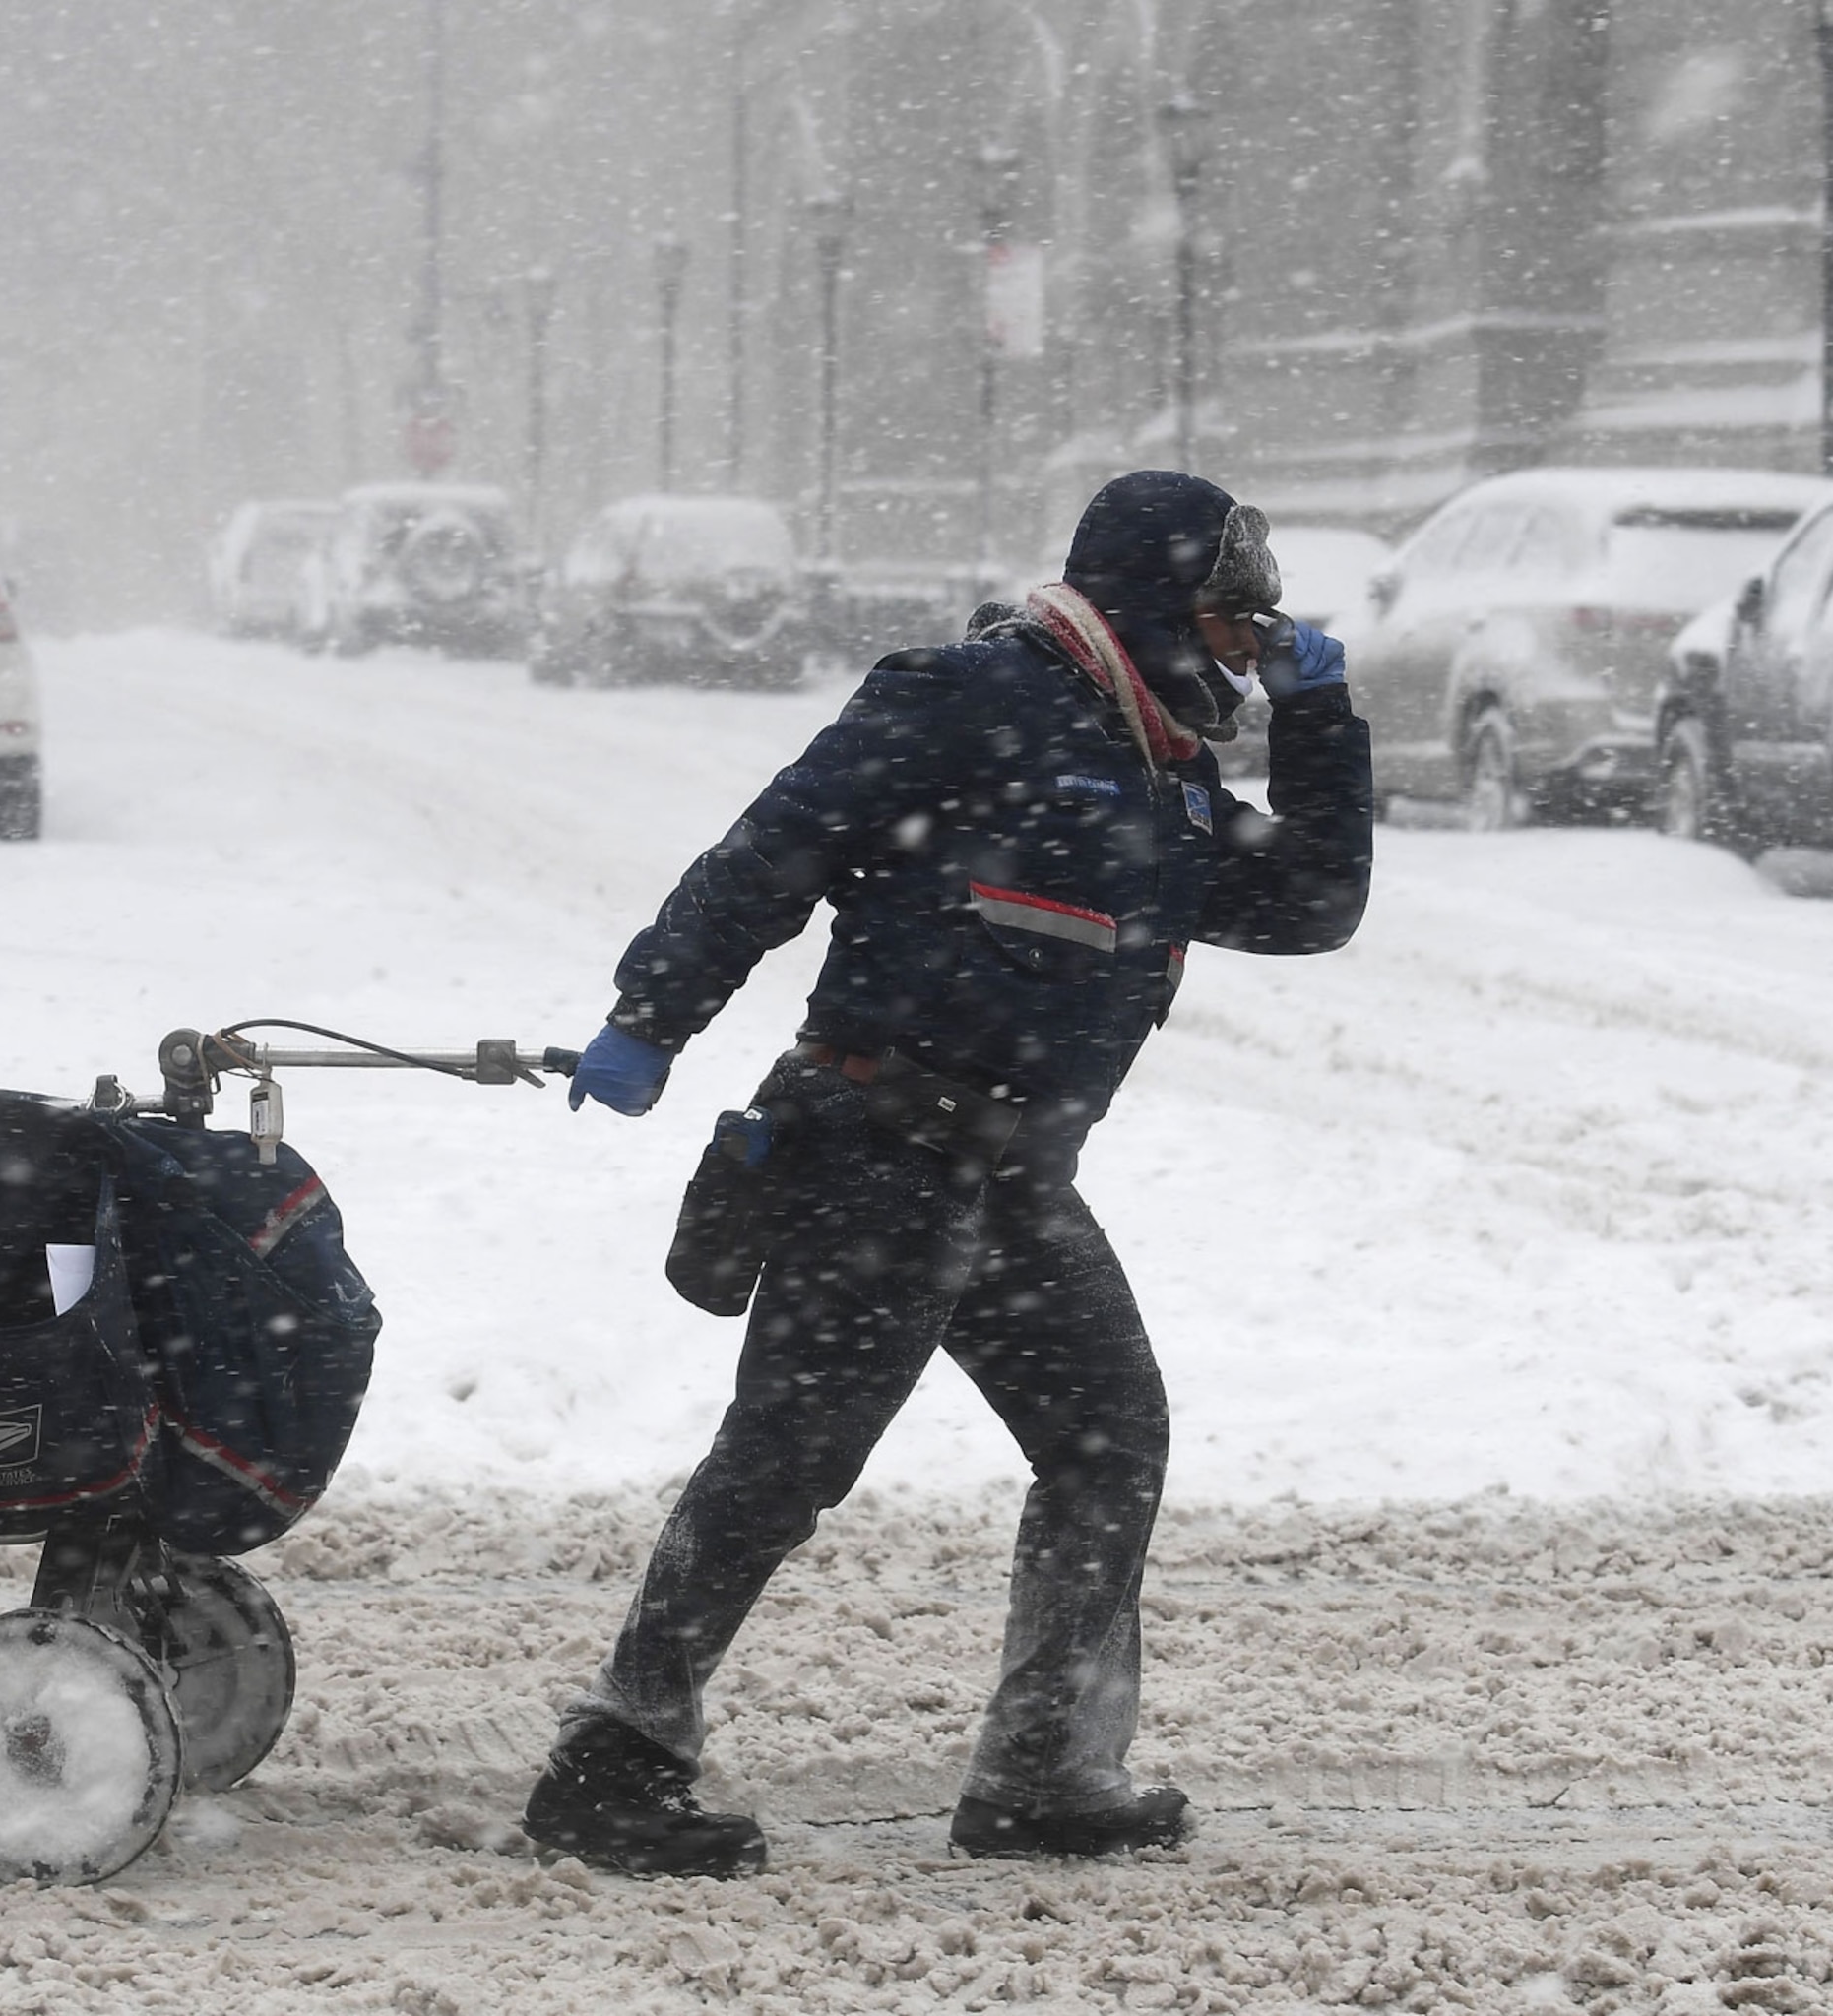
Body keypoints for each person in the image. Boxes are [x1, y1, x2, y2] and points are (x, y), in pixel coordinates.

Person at [520, 470, 1374, 1876]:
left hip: (1019, 1179)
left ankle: (1042, 1771)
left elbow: (1316, 907)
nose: (1246, 655)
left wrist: (1325, 726)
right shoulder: (961, 701)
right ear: (1155, 607)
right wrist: (647, 1021)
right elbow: (767, 855)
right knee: (786, 1460)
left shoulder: (1164, 779)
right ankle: (612, 1763)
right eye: (1233, 626)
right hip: (875, 1146)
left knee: (1111, 1440)